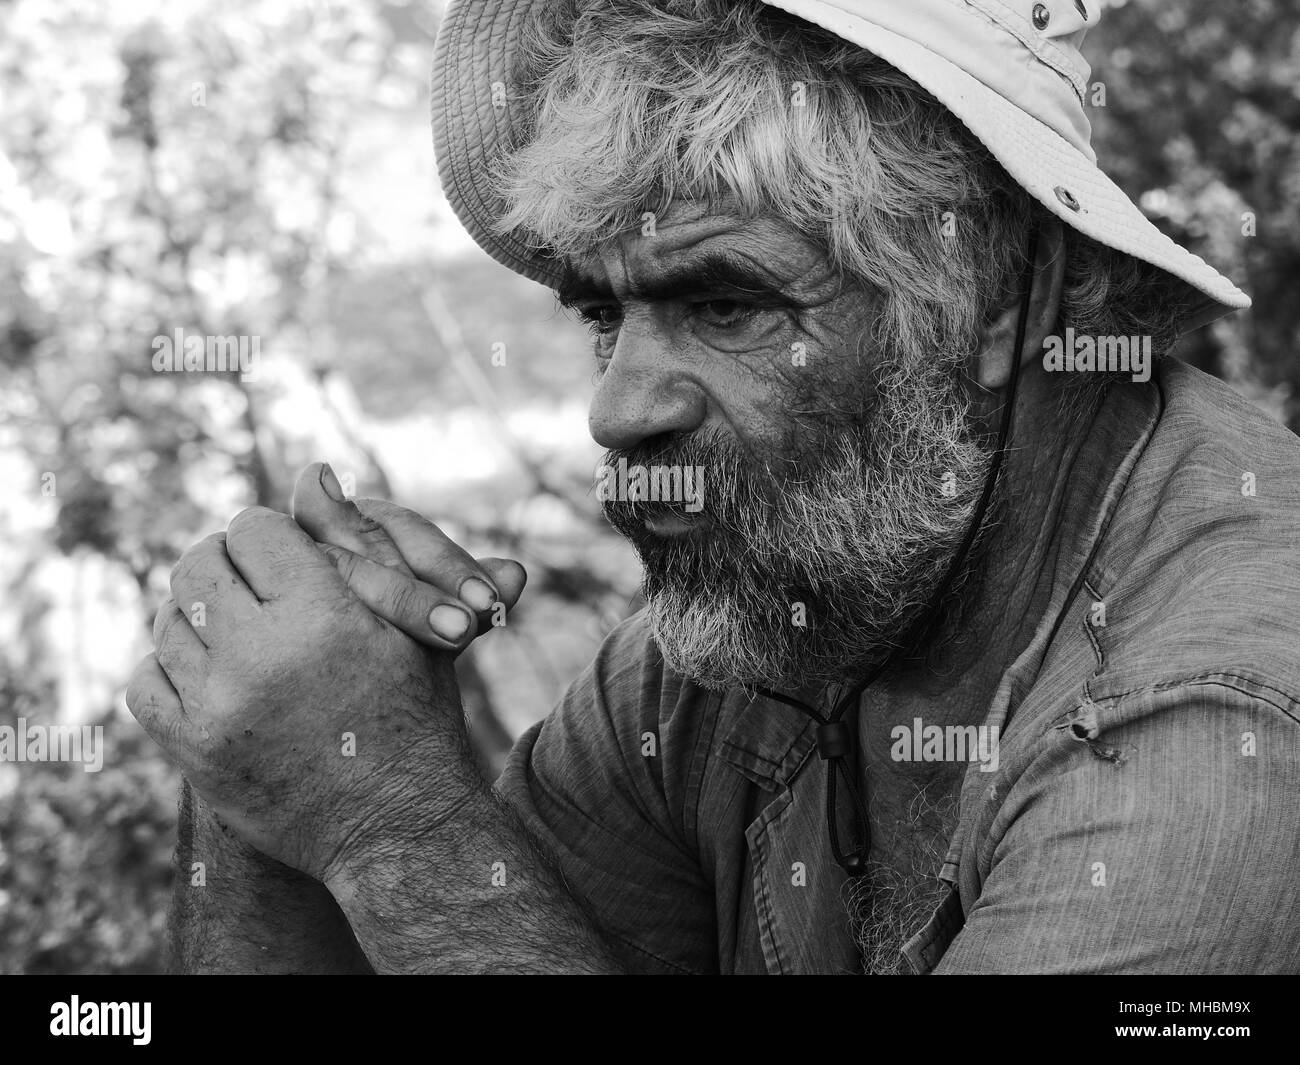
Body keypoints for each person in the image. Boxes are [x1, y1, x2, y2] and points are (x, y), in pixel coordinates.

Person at [127, 0, 1300, 974]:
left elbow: (442, 905)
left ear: (998, 302)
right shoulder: (761, 624)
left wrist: (390, 824)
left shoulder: (1209, 729)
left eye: (725, 304)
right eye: (603, 311)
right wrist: (267, 754)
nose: (617, 409)